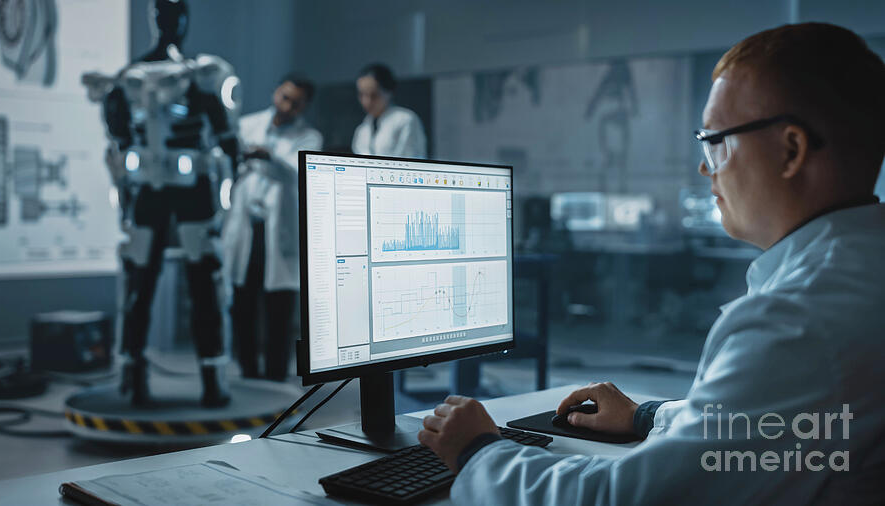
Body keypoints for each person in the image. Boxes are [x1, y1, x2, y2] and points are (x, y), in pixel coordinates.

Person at [418, 23, 885, 504]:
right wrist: (649, 416)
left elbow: (629, 498)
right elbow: (771, 421)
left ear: (791, 150)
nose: (706, 167)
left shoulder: (797, 323)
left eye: (717, 140)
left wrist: (477, 450)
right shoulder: (859, 274)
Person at [82, 0, 239, 407]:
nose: (170, 21)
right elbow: (118, 135)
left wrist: (228, 179)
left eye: (176, 13)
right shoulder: (128, 78)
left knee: (203, 282)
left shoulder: (198, 75)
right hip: (149, 190)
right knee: (141, 282)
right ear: (155, 19)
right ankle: (133, 376)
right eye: (163, 13)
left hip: (190, 189)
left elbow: (225, 135)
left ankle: (210, 377)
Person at [223, 74, 322, 380]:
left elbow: (294, 173)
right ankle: (248, 374)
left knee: (278, 310)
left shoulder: (309, 138)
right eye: (284, 96)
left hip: (277, 230)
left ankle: (276, 379)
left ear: (303, 108)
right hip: (246, 226)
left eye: (295, 103)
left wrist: (266, 156)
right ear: (275, 92)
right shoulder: (246, 125)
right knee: (242, 304)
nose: (287, 105)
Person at [352, 63, 427, 158]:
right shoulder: (362, 130)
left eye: (374, 95)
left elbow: (412, 160)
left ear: (389, 92)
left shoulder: (405, 120)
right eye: (362, 95)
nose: (366, 102)